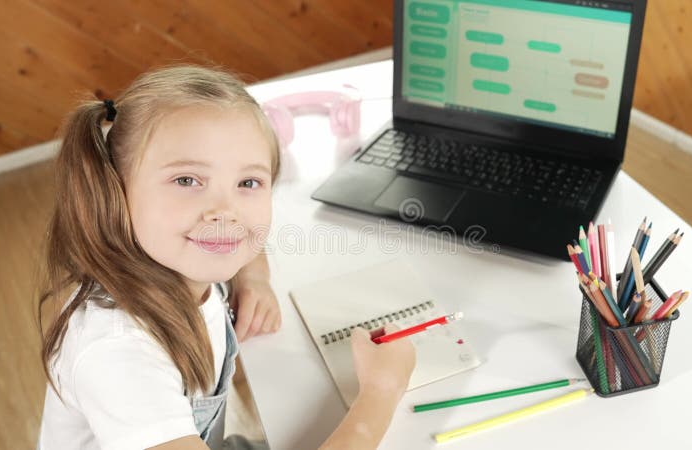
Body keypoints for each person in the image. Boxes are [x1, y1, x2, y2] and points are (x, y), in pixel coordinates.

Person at [36, 65, 415, 450]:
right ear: (113, 190)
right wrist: (381, 392)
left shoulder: (176, 251)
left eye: (247, 183)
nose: (224, 210)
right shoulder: (117, 353)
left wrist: (253, 278)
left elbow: (236, 233)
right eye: (187, 180)